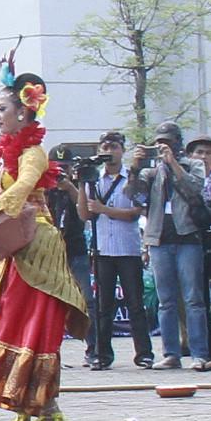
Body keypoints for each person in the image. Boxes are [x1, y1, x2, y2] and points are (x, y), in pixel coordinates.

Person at [0, 64, 89, 421]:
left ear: (23, 112)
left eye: (2, 109)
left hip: (39, 245)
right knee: (13, 316)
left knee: (36, 321)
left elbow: (21, 188)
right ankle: (29, 406)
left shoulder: (34, 153)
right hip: (19, 244)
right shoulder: (8, 152)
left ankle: (46, 408)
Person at [137, 127, 211, 371]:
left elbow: (196, 189)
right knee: (166, 301)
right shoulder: (152, 170)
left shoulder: (194, 164)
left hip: (188, 237)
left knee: (193, 299)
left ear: (178, 143)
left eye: (168, 142)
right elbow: (135, 196)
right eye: (159, 142)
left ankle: (199, 354)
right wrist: (135, 167)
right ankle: (171, 354)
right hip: (159, 238)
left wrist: (173, 163)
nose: (163, 147)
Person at [81, 131, 146, 372]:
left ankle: (144, 353)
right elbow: (85, 214)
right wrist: (81, 183)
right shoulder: (95, 180)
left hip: (127, 248)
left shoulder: (132, 178)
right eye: (105, 147)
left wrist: (104, 209)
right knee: (103, 305)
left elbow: (135, 212)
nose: (109, 151)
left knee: (135, 303)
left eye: (114, 147)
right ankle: (102, 354)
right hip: (103, 250)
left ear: (122, 150)